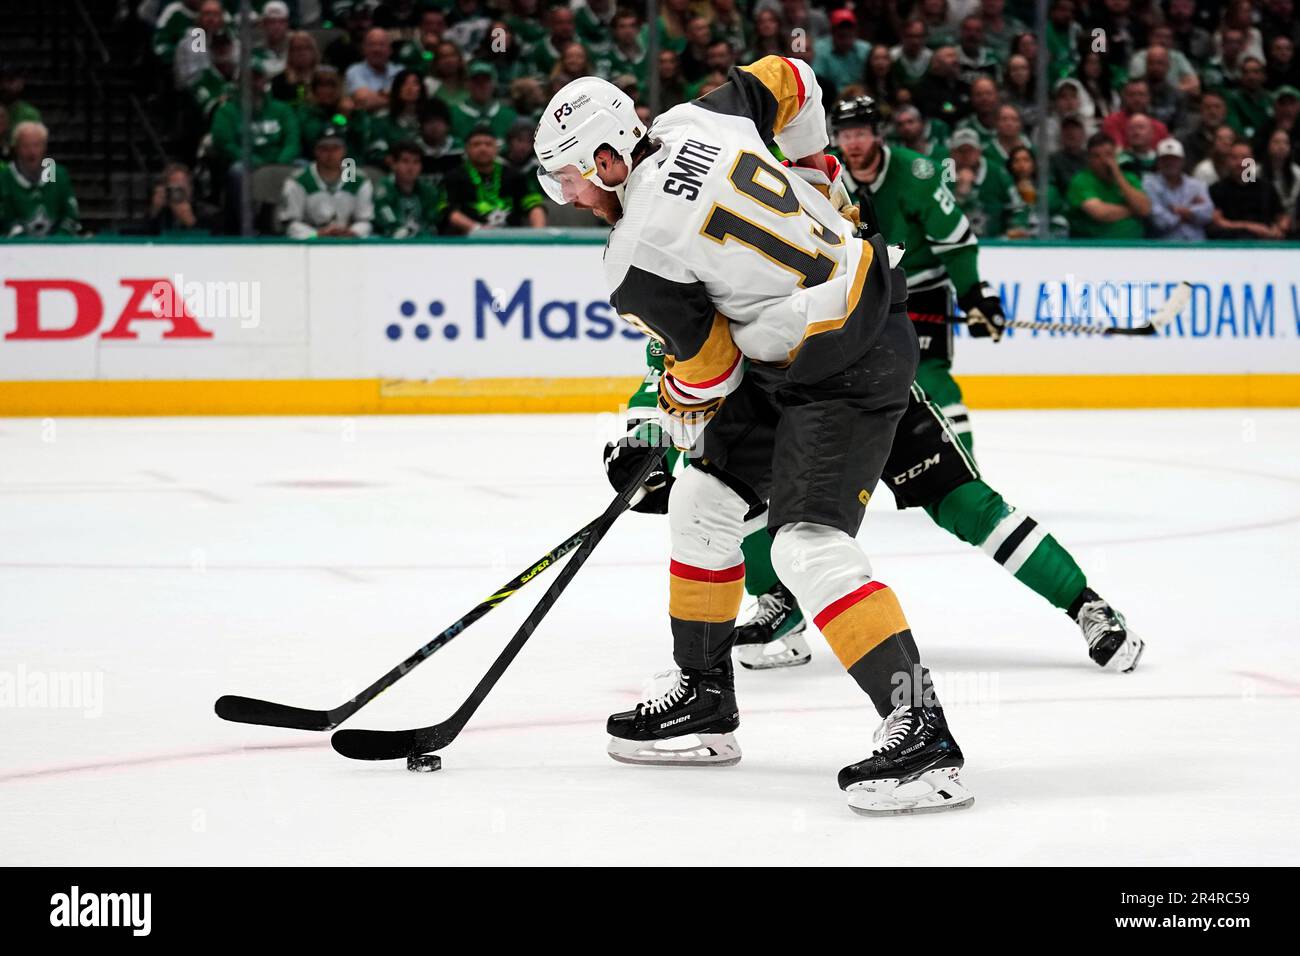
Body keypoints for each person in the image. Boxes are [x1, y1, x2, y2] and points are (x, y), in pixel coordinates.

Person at [534, 60, 974, 816]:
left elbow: (709, 367)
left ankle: (925, 733)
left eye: (569, 177)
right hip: (806, 344)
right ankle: (703, 699)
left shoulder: (636, 253)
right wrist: (813, 168)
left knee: (806, 543)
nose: (565, 195)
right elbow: (795, 74)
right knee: (702, 501)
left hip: (848, 358)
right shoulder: (695, 118)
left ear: (608, 159)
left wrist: (667, 416)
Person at [443, 125, 545, 232]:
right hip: (467, 240)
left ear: (497, 148)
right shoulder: (454, 177)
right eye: (476, 144)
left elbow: (534, 205)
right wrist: (477, 229)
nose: (483, 148)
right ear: (466, 149)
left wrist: (539, 234)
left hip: (511, 240)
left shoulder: (514, 176)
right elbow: (448, 211)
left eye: (488, 144)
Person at [279, 127, 375, 239]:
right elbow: (291, 224)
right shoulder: (298, 180)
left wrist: (352, 232)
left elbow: (365, 220)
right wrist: (317, 234)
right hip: (311, 242)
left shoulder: (358, 179)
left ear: (344, 150)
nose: (330, 154)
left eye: (336, 148)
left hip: (348, 240)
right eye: (324, 148)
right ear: (315, 151)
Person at [0, 122, 80, 237]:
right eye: (25, 146)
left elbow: (71, 215)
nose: (32, 152)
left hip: (57, 246)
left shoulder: (56, 174)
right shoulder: (6, 177)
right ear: (16, 148)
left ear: (44, 147)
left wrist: (58, 239)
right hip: (15, 247)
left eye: (36, 145)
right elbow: (5, 219)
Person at [1066, 132, 1151, 238]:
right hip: (1093, 247)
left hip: (1135, 246)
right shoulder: (1081, 180)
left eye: (1109, 155)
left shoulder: (1129, 178)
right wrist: (1133, 210)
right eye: (1096, 156)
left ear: (1116, 156)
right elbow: (1101, 213)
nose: (1104, 161)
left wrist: (1118, 176)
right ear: (1089, 159)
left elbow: (1144, 209)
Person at [1208, 141, 1290, 239]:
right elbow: (1217, 222)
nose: (1240, 163)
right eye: (1234, 158)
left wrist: (1280, 228)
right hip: (1231, 243)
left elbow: (1283, 216)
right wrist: (1250, 227)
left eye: (1244, 158)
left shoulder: (1266, 188)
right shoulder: (1216, 189)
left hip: (1265, 242)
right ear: (1227, 161)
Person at [1142, 137, 1213, 240]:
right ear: (1158, 162)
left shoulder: (1197, 185)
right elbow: (1159, 221)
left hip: (1197, 246)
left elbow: (1208, 214)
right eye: (1165, 159)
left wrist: (1178, 210)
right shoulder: (1149, 184)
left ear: (1182, 161)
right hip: (1164, 248)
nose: (1170, 163)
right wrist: (1192, 212)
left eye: (1174, 159)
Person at [373, 141, 444, 237]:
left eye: (416, 162)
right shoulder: (384, 188)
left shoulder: (428, 190)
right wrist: (401, 231)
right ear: (393, 164)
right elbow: (385, 219)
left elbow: (432, 221)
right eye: (405, 161)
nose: (411, 168)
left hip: (422, 243)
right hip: (389, 243)